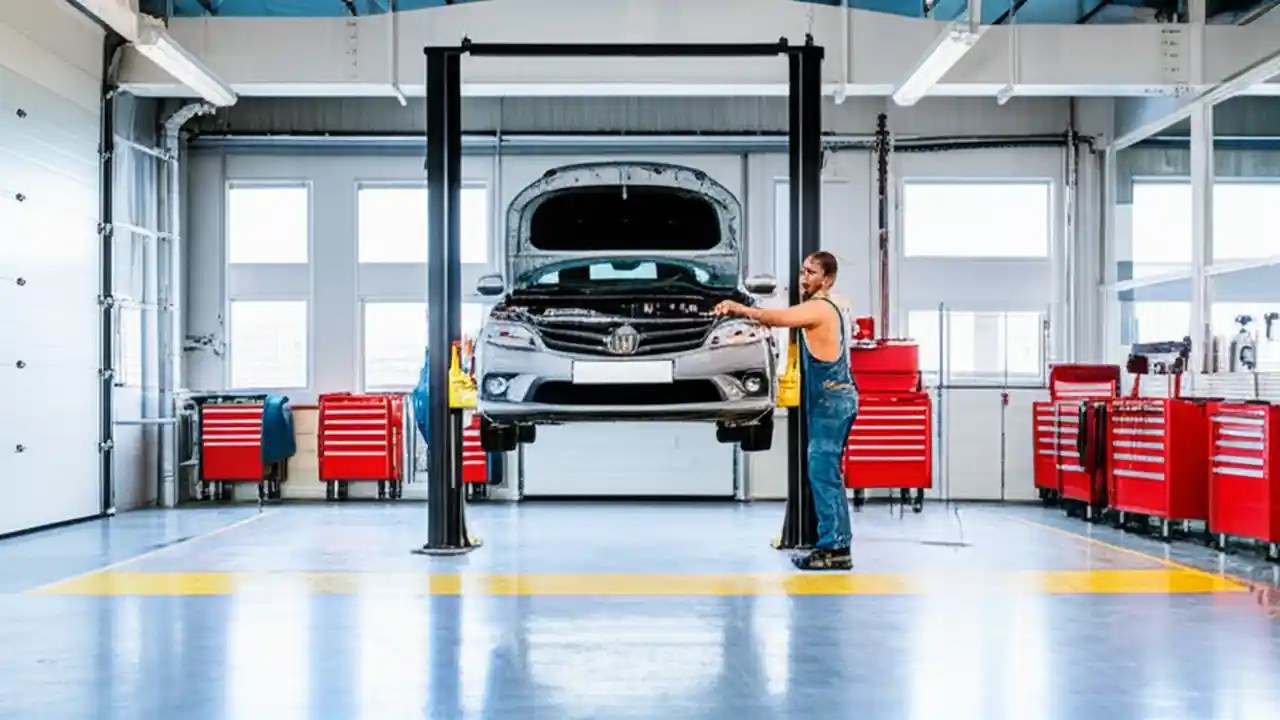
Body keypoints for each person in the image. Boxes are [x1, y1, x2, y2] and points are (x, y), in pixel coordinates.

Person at [713, 251, 859, 570]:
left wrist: (738, 308)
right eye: (802, 271)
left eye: (811, 272)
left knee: (823, 472)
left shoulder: (818, 308)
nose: (803, 277)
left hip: (831, 400)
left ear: (828, 279)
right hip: (834, 398)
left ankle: (835, 547)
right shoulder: (837, 304)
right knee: (825, 472)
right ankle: (836, 543)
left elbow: (776, 318)